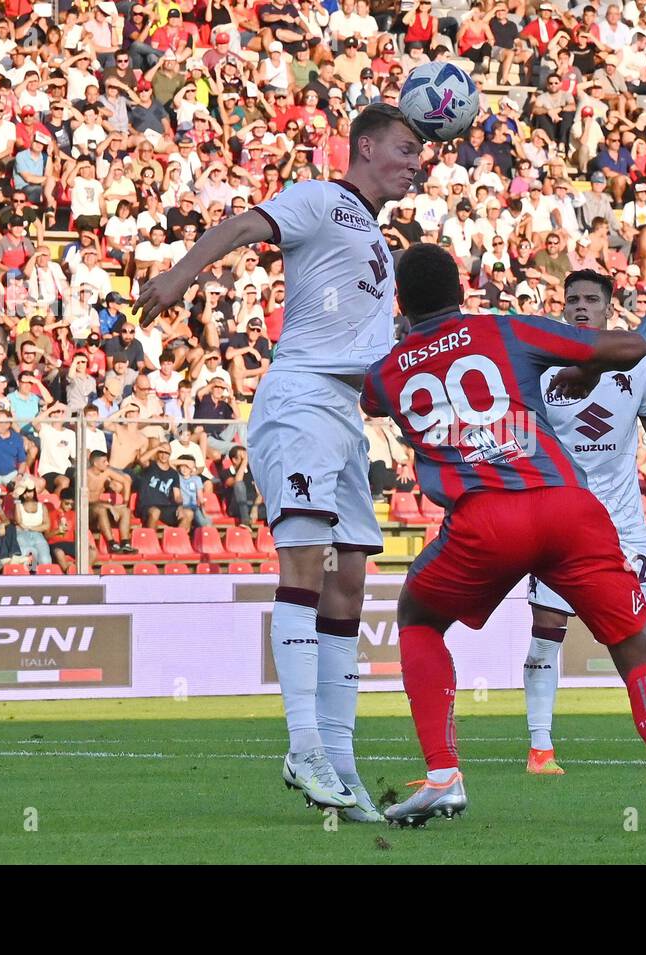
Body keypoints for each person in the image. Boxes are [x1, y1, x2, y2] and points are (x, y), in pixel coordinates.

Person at [362, 244, 646, 835]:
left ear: (401, 301)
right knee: (635, 646)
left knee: (418, 616)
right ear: (461, 291)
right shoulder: (506, 331)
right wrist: (584, 366)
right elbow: (631, 347)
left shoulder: (387, 372)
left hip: (485, 518)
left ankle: (443, 774)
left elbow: (369, 394)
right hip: (568, 508)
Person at [135, 104, 423, 821]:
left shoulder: (381, 242)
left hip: (346, 419)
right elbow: (241, 226)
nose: (417, 161)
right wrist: (178, 277)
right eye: (406, 147)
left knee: (349, 580)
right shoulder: (322, 198)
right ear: (365, 146)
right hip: (299, 402)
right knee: (305, 565)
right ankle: (303, 745)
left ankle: (342, 760)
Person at [520, 269, 646, 777]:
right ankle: (540, 750)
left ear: (609, 308)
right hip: (562, 522)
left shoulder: (639, 368)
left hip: (625, 525)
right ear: (562, 308)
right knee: (547, 631)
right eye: (572, 300)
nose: (580, 307)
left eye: (590, 299)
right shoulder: (540, 368)